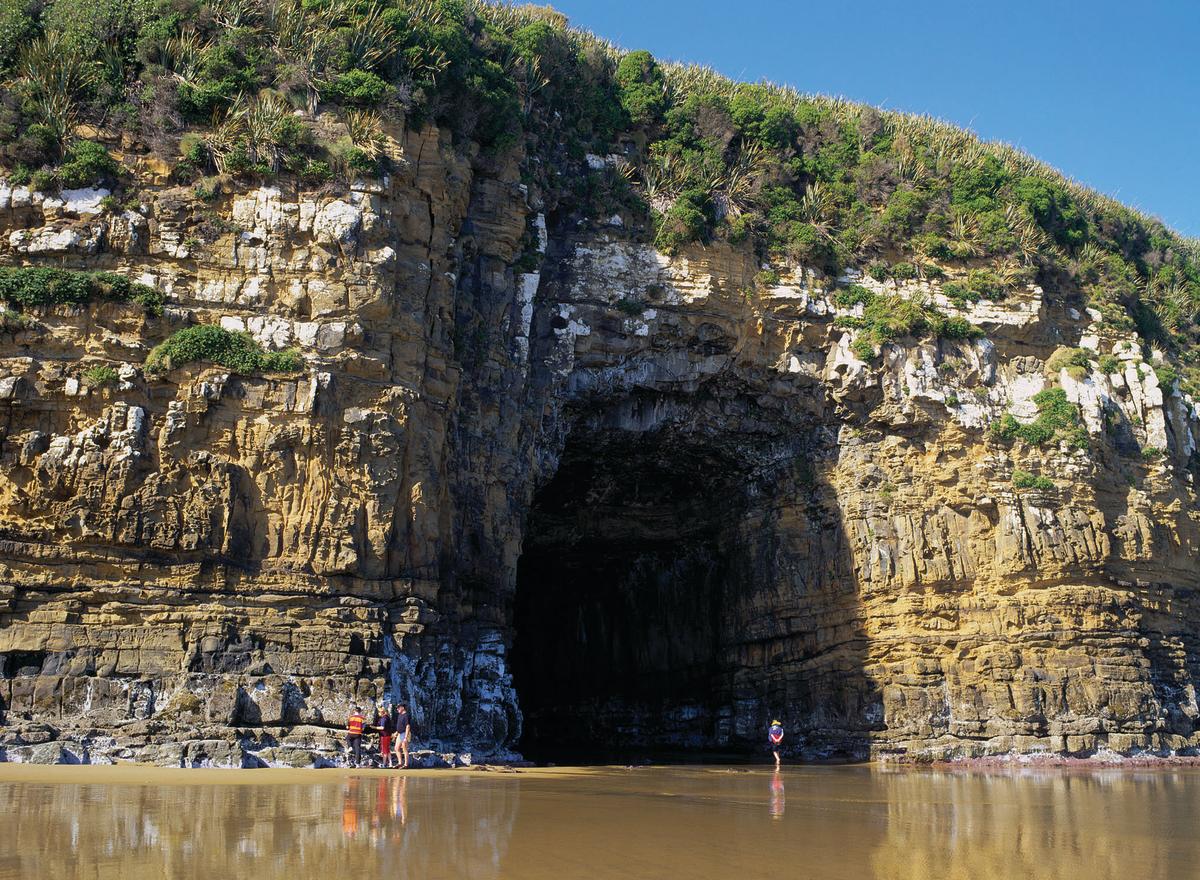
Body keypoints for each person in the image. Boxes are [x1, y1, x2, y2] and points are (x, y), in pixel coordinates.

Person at [376, 701, 396, 768]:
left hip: (385, 735)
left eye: (379, 712)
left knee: (384, 750)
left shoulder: (384, 718)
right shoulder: (387, 717)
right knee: (387, 750)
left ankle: (384, 764)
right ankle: (390, 763)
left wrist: (374, 727)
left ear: (382, 712)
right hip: (387, 735)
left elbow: (382, 727)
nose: (378, 713)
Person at [394, 702, 412, 769]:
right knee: (396, 748)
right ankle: (400, 763)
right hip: (399, 733)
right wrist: (396, 732)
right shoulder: (400, 715)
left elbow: (407, 726)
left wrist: (405, 737)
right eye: (397, 708)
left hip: (405, 733)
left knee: (404, 749)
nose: (397, 709)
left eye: (398, 707)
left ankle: (406, 764)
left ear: (402, 707)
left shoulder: (406, 715)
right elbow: (400, 725)